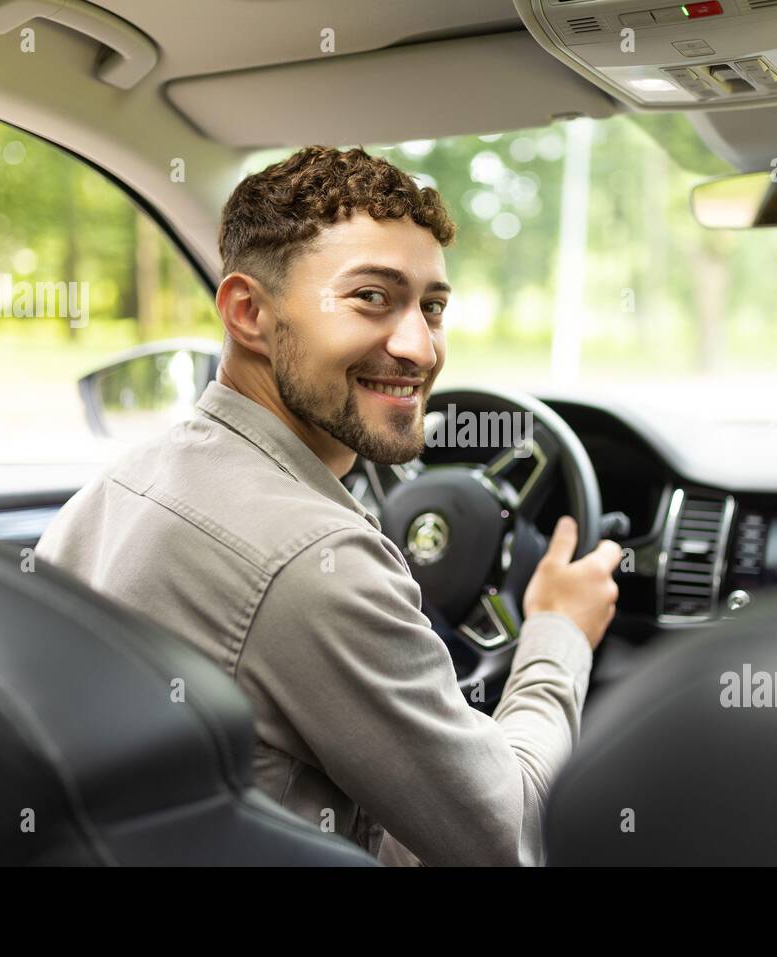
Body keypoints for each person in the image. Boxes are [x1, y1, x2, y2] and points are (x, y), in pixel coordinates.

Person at [35, 145, 622, 866]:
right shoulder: (315, 560)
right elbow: (512, 836)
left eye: (432, 306)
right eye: (372, 297)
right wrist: (557, 633)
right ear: (248, 311)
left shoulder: (122, 483)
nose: (419, 348)